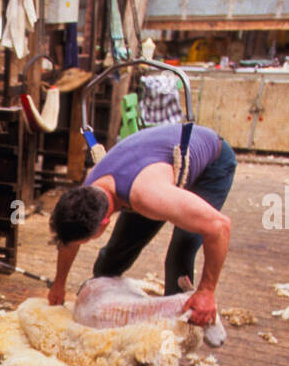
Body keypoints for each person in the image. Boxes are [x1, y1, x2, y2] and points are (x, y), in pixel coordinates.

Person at [48, 123, 236, 326]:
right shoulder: (88, 192)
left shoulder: (147, 196)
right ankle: (104, 315)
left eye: (87, 239)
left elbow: (220, 227)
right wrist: (59, 283)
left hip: (211, 164)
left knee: (180, 252)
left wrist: (207, 291)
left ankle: (179, 328)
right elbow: (70, 240)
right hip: (147, 169)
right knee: (112, 257)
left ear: (105, 222)